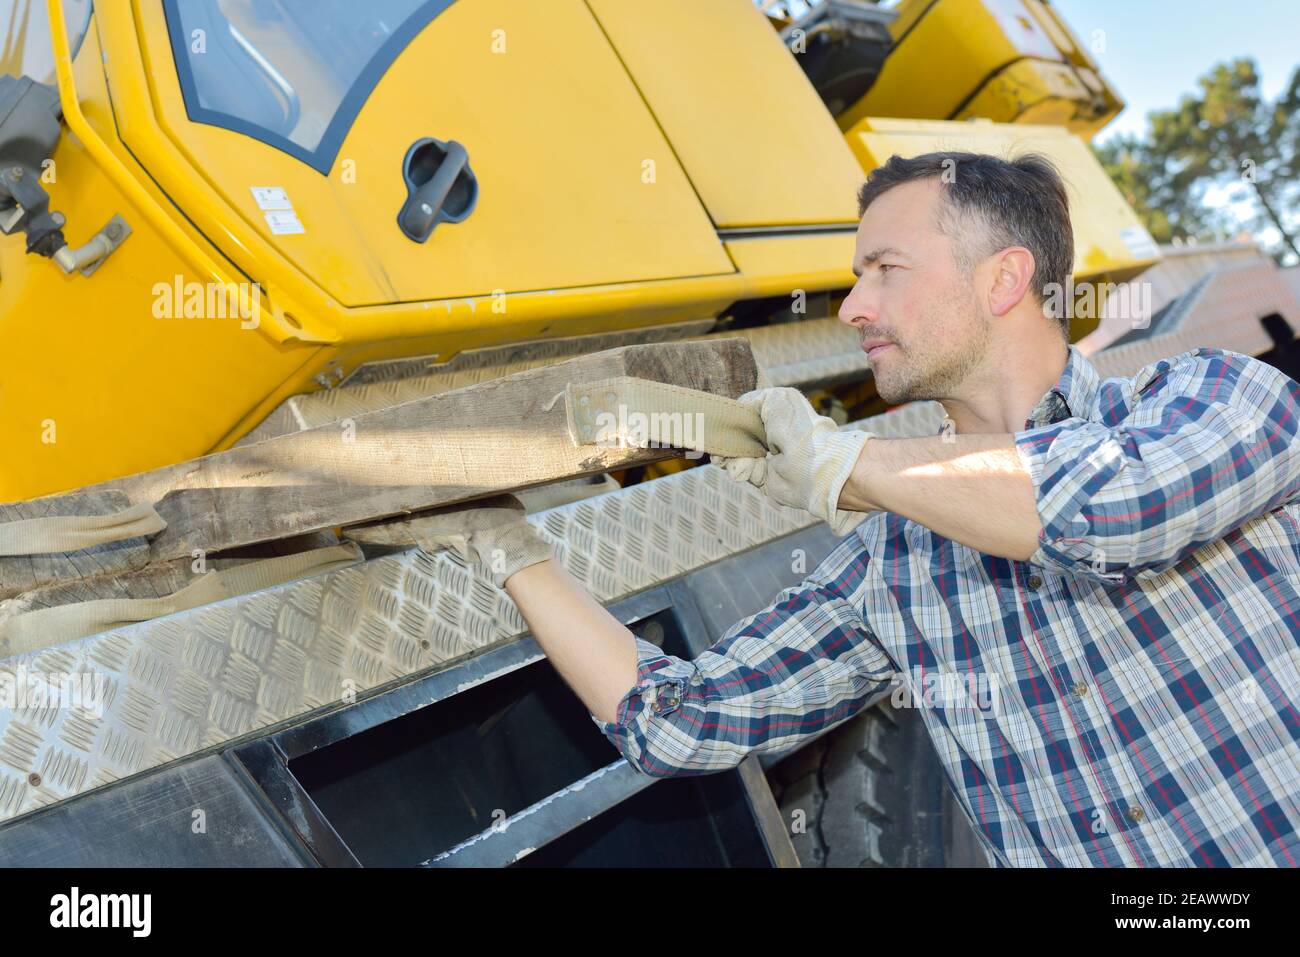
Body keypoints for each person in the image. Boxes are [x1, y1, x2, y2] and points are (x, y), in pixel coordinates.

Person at [417, 151, 1300, 868]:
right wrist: (503, 546)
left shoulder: (1216, 397)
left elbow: (1110, 512)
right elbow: (678, 723)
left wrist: (846, 464)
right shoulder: (899, 563)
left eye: (886, 269)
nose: (853, 307)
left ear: (1003, 279)